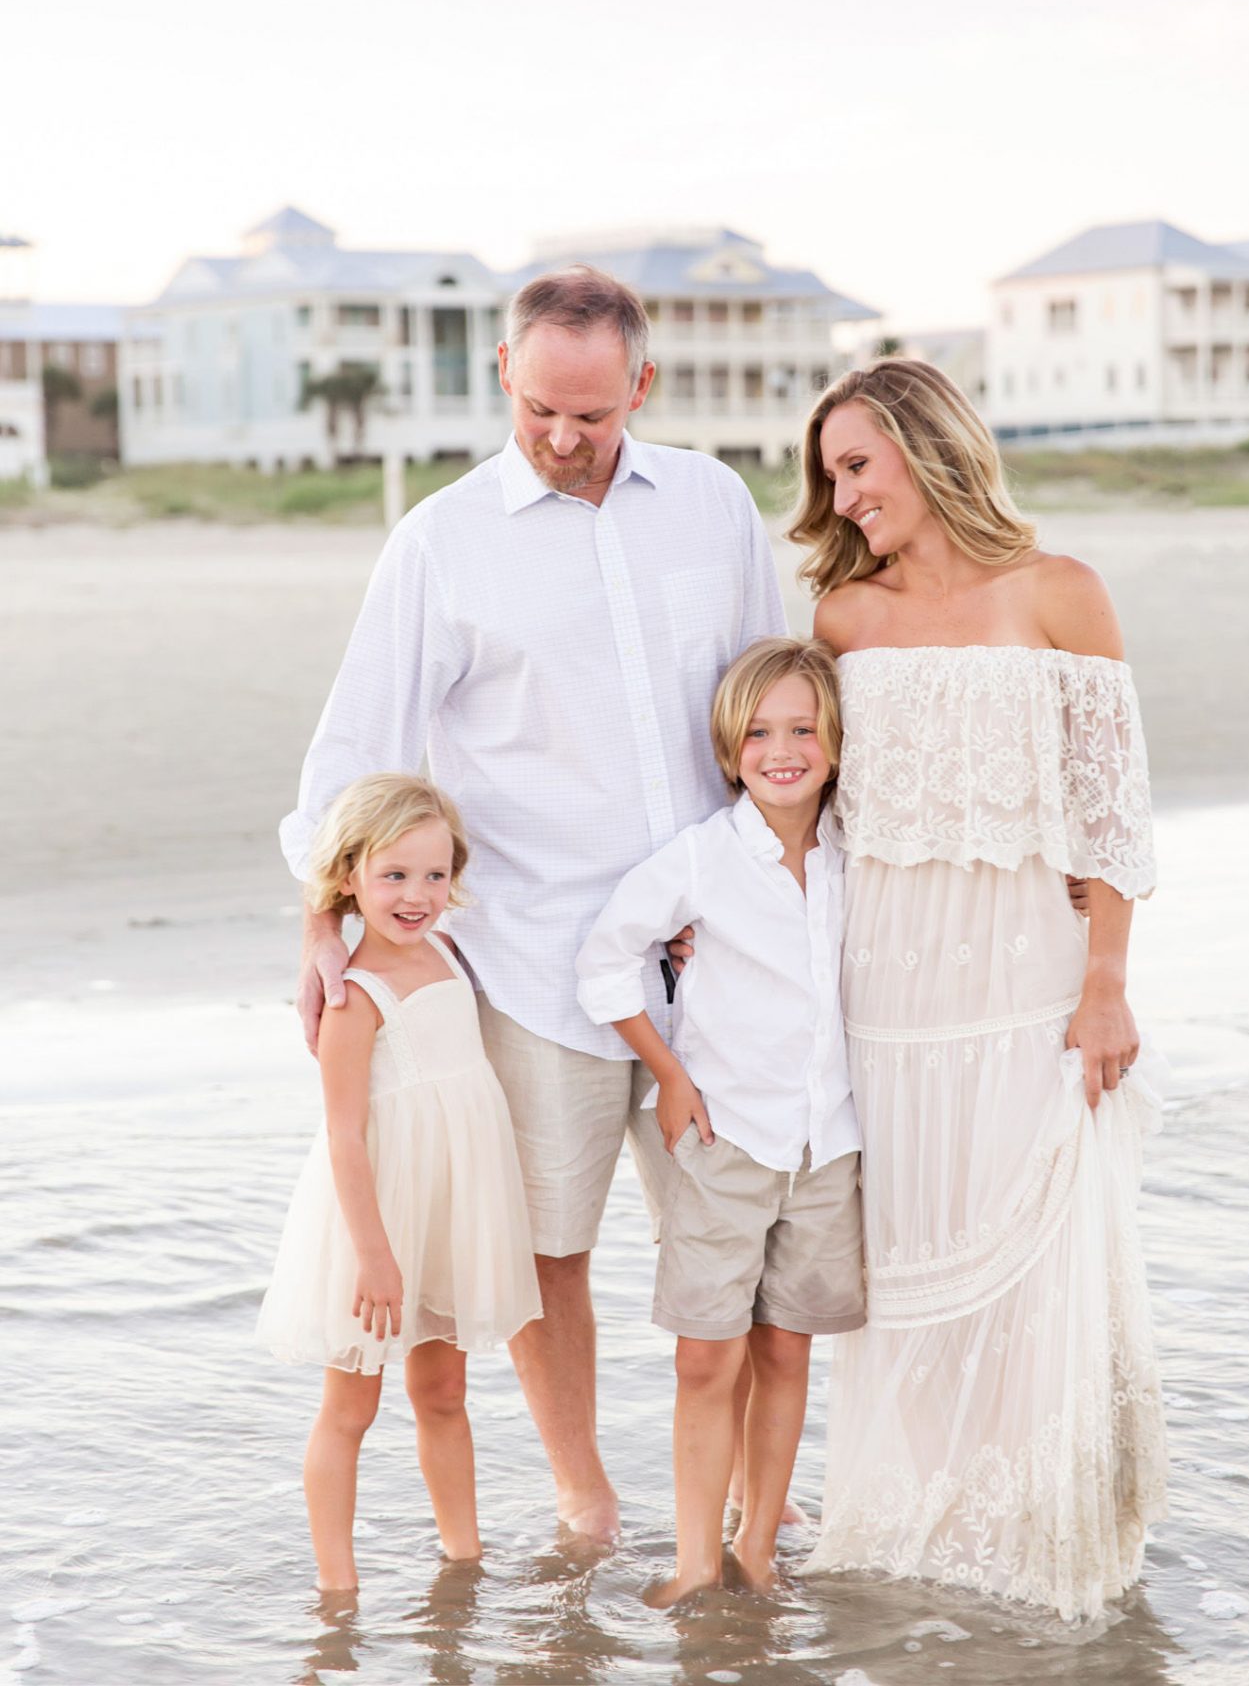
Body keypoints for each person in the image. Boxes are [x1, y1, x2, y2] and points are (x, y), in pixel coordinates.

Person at [282, 266, 786, 1541]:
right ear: (505, 372)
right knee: (546, 1250)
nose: (563, 439)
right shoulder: (442, 541)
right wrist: (318, 920)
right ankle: (587, 1495)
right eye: (540, 409)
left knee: (726, 1241)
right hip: (530, 959)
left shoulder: (715, 505)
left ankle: (733, 1510)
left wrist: (765, 886)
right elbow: (358, 747)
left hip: (708, 961)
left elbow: (774, 701)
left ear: (640, 385)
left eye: (593, 415)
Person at [792, 360, 1168, 1623]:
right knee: (897, 1268)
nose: (842, 497)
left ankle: (1037, 1544)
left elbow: (1113, 816)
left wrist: (1106, 983)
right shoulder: (842, 618)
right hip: (882, 991)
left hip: (1028, 982)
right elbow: (802, 807)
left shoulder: (1060, 593)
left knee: (1035, 1258)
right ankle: (912, 1541)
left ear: (928, 444)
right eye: (829, 473)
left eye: (857, 464)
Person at [575, 637, 863, 1601]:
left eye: (802, 729)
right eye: (758, 733)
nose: (781, 750)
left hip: (831, 1142)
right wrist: (669, 1074)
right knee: (708, 1358)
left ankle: (756, 1548)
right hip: (725, 1139)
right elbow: (603, 962)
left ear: (833, 742)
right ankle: (696, 1559)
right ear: (729, 747)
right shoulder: (701, 858)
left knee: (787, 1347)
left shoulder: (859, 854)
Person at [257, 773, 542, 1590]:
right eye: (393, 876)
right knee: (351, 1405)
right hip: (374, 1222)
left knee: (445, 1391)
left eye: (433, 875)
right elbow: (345, 1136)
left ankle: (464, 1559)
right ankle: (337, 1591)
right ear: (348, 876)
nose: (416, 896)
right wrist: (374, 1255)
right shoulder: (354, 995)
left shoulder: (450, 953)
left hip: (448, 1208)